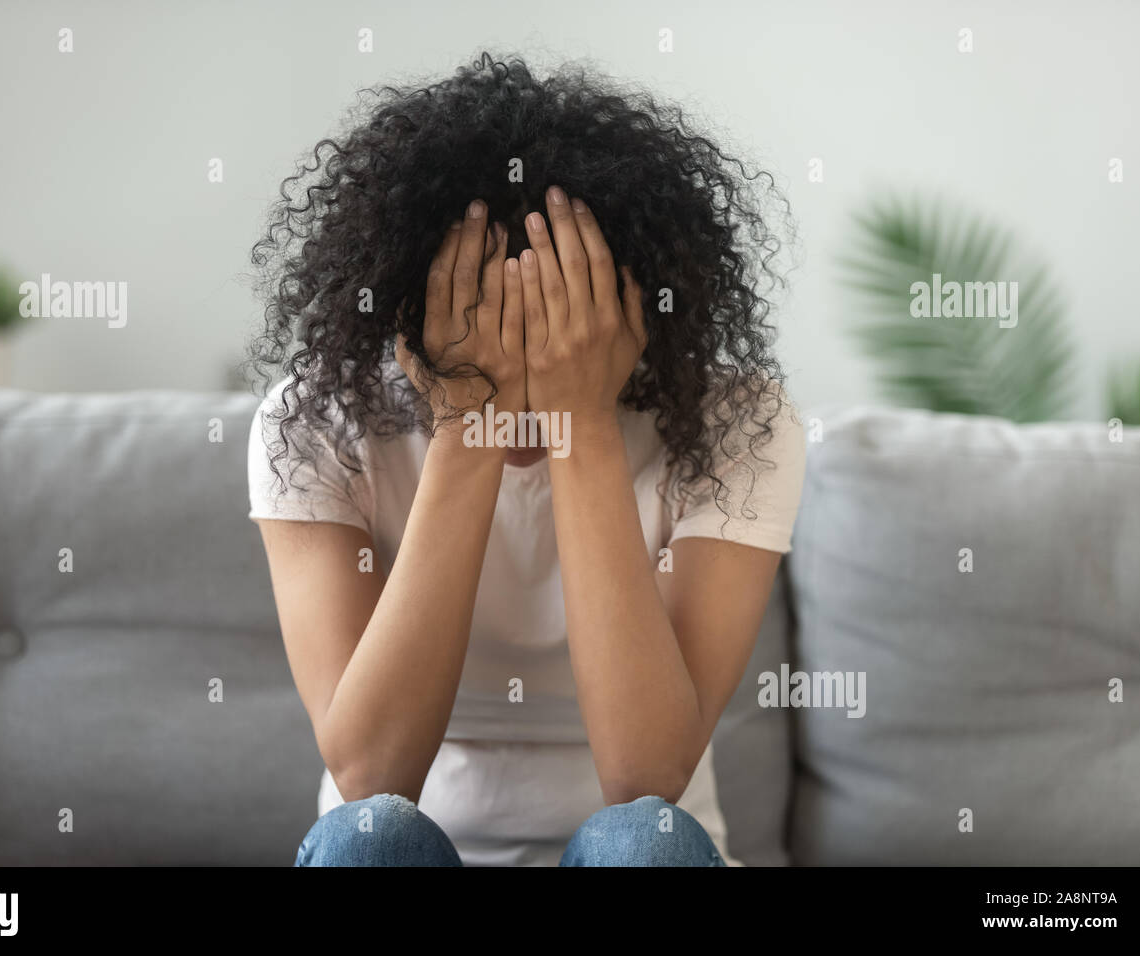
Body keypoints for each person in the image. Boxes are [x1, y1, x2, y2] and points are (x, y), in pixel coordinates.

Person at [247, 53, 805, 866]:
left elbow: (648, 776)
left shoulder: (737, 423)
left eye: (557, 312)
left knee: (645, 842)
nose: (519, 346)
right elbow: (372, 773)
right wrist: (467, 425)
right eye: (479, 312)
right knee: (367, 839)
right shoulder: (315, 424)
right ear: (407, 309)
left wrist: (581, 424)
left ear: (630, 305)